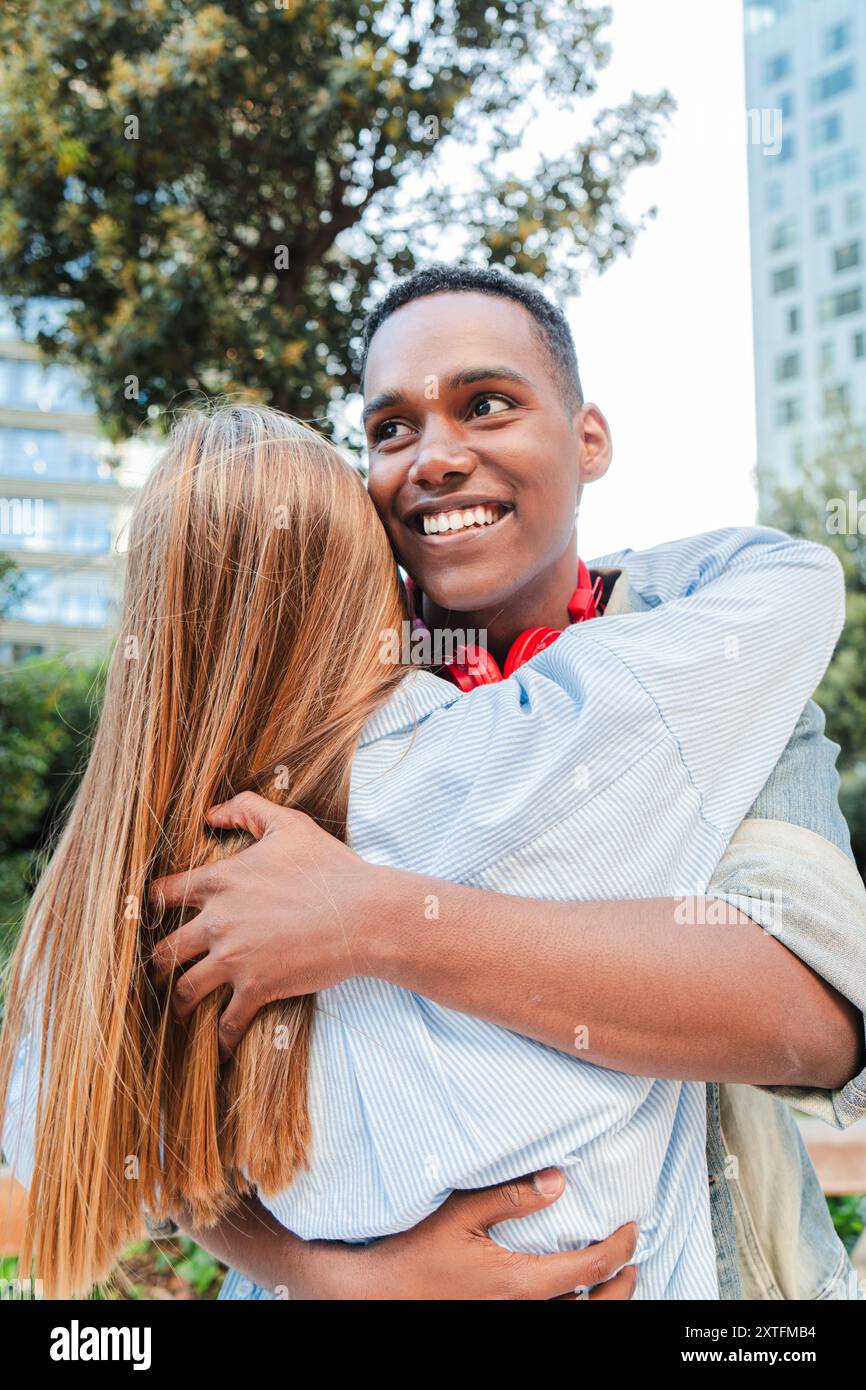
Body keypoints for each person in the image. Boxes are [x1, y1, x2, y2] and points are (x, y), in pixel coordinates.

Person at [0, 402, 844, 1299]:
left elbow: (79, 1142)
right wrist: (563, 540)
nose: (436, 460)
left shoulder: (107, 889)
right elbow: (792, 577)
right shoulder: (509, 755)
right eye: (391, 435)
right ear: (370, 574)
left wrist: (337, 1278)